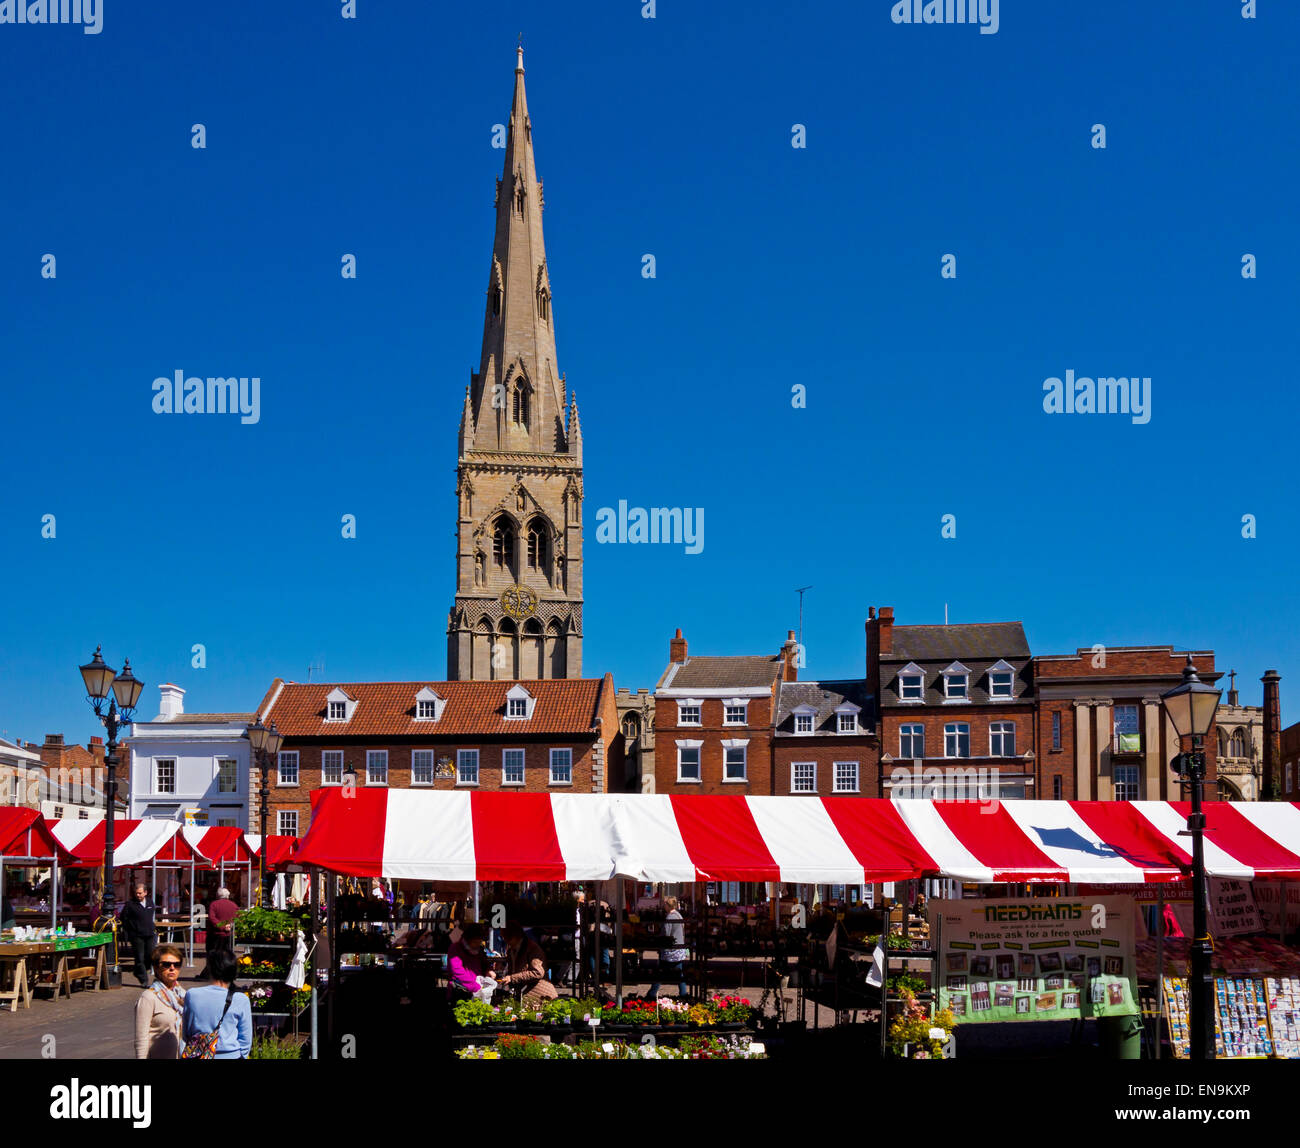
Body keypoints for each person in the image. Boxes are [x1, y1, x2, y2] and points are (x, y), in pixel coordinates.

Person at [182, 948, 252, 1059]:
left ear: (209, 969)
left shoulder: (192, 995)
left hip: (198, 1054)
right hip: (230, 1055)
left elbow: (186, 1033)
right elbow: (246, 1041)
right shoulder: (240, 999)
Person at [135, 943, 187, 1059]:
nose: (172, 968)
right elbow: (141, 1037)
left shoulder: (183, 995)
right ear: (156, 967)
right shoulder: (148, 997)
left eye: (177, 964)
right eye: (166, 965)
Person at [498, 922, 557, 1005]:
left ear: (516, 936)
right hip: (526, 996)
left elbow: (538, 972)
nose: (505, 940)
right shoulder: (511, 949)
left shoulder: (532, 949)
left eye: (507, 938)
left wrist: (512, 978)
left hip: (540, 995)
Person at [646, 896, 689, 1000]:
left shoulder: (670, 917)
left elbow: (666, 934)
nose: (663, 906)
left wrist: (656, 938)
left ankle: (652, 993)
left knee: (660, 972)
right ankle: (683, 994)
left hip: (670, 951)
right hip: (679, 949)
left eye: (665, 904)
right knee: (679, 973)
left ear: (668, 905)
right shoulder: (678, 915)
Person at [120, 884, 159, 987]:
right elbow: (123, 918)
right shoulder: (130, 904)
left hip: (150, 933)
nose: (138, 895)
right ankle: (143, 980)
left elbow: (149, 917)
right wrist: (130, 930)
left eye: (140, 893)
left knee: (150, 955)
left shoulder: (150, 902)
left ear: (145, 893)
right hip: (136, 935)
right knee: (139, 958)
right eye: (136, 893)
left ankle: (137, 971)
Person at [446, 922, 490, 1000]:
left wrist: (488, 971)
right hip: (461, 992)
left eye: (479, 942)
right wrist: (476, 987)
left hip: (477, 991)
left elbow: (485, 964)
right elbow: (457, 971)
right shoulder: (455, 949)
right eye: (475, 942)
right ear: (468, 939)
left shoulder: (479, 950)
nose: (478, 944)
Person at [205, 886, 239, 957]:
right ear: (228, 896)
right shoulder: (234, 905)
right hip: (229, 934)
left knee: (214, 956)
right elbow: (237, 918)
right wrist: (229, 926)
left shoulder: (214, 904)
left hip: (215, 934)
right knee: (227, 955)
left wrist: (222, 927)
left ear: (217, 895)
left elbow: (212, 918)